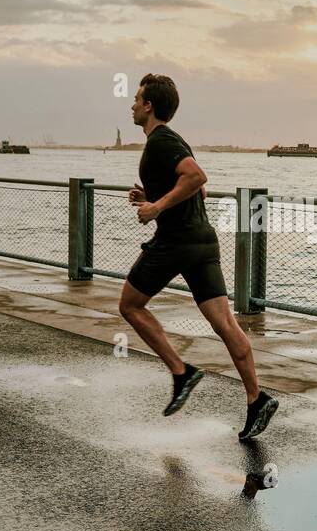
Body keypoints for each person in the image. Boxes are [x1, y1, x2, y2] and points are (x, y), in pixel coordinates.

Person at [118, 74, 278, 440]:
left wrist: (156, 207)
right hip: (202, 242)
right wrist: (151, 195)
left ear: (149, 106)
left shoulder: (161, 140)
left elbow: (196, 177)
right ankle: (257, 399)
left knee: (130, 306)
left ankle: (181, 372)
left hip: (176, 242)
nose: (132, 104)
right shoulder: (172, 142)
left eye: (137, 98)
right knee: (224, 324)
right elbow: (200, 193)